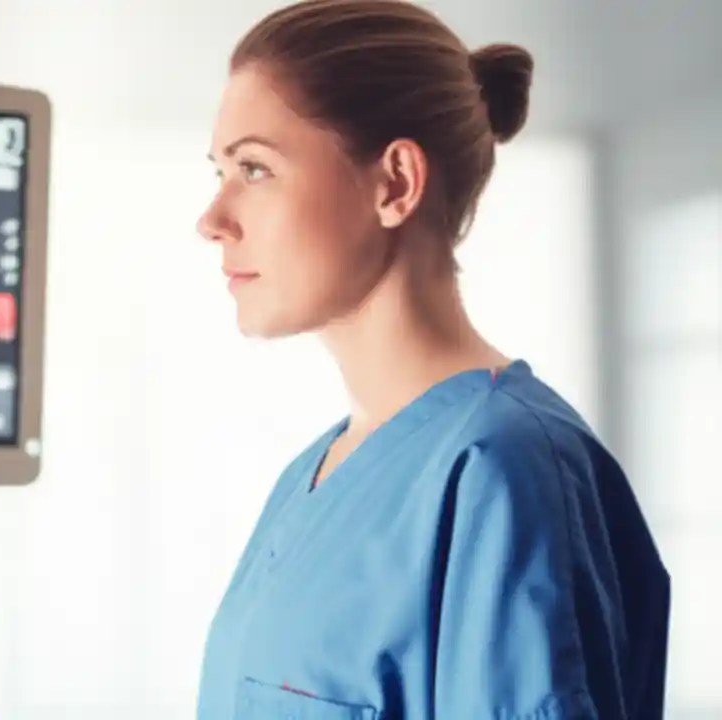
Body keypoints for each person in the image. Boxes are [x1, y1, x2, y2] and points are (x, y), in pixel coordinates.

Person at [195, 1, 670, 718]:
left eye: (255, 169)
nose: (213, 218)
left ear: (395, 183)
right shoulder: (315, 478)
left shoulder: (502, 470)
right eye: (221, 171)